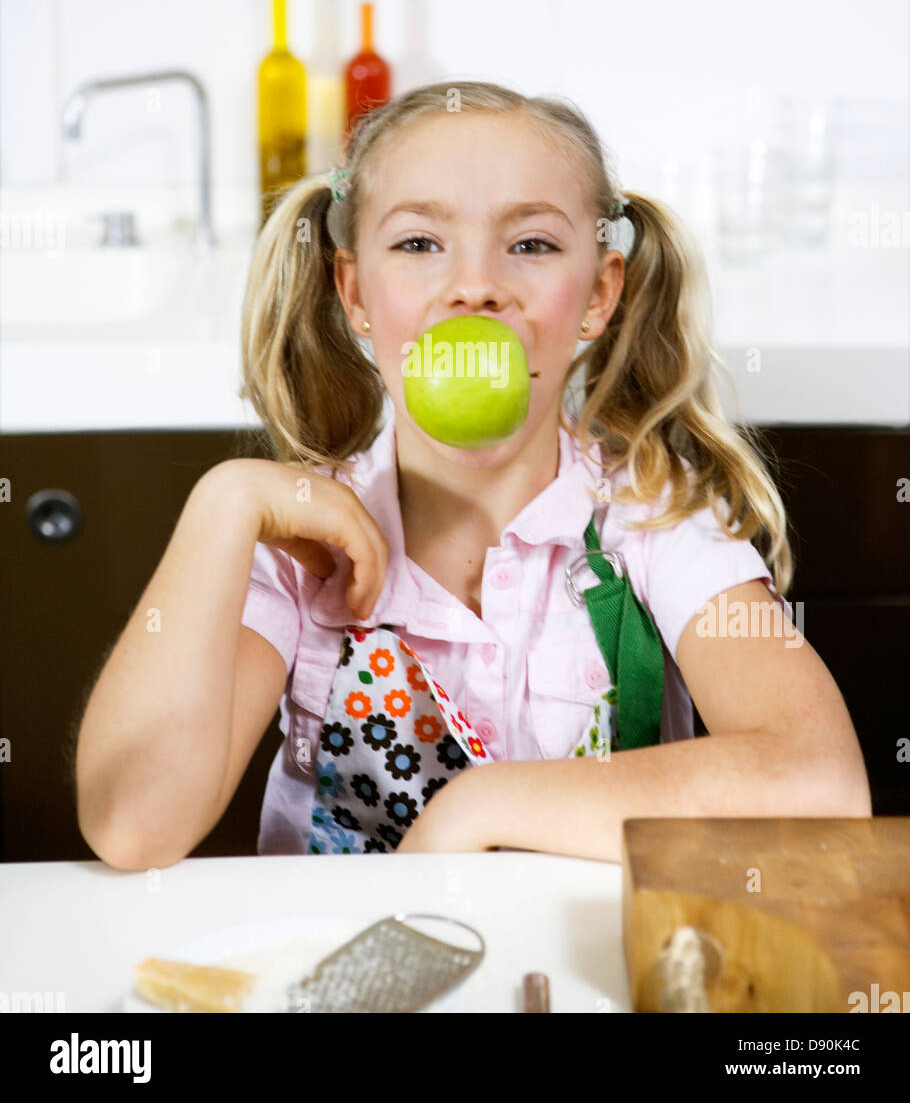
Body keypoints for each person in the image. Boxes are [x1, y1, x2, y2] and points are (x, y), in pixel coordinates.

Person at [74, 81, 871, 870]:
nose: (475, 285)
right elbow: (134, 825)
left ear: (598, 295)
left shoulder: (655, 520)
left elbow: (822, 781)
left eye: (531, 244)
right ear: (355, 293)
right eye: (420, 243)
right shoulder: (292, 544)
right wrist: (224, 503)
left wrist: (485, 805)